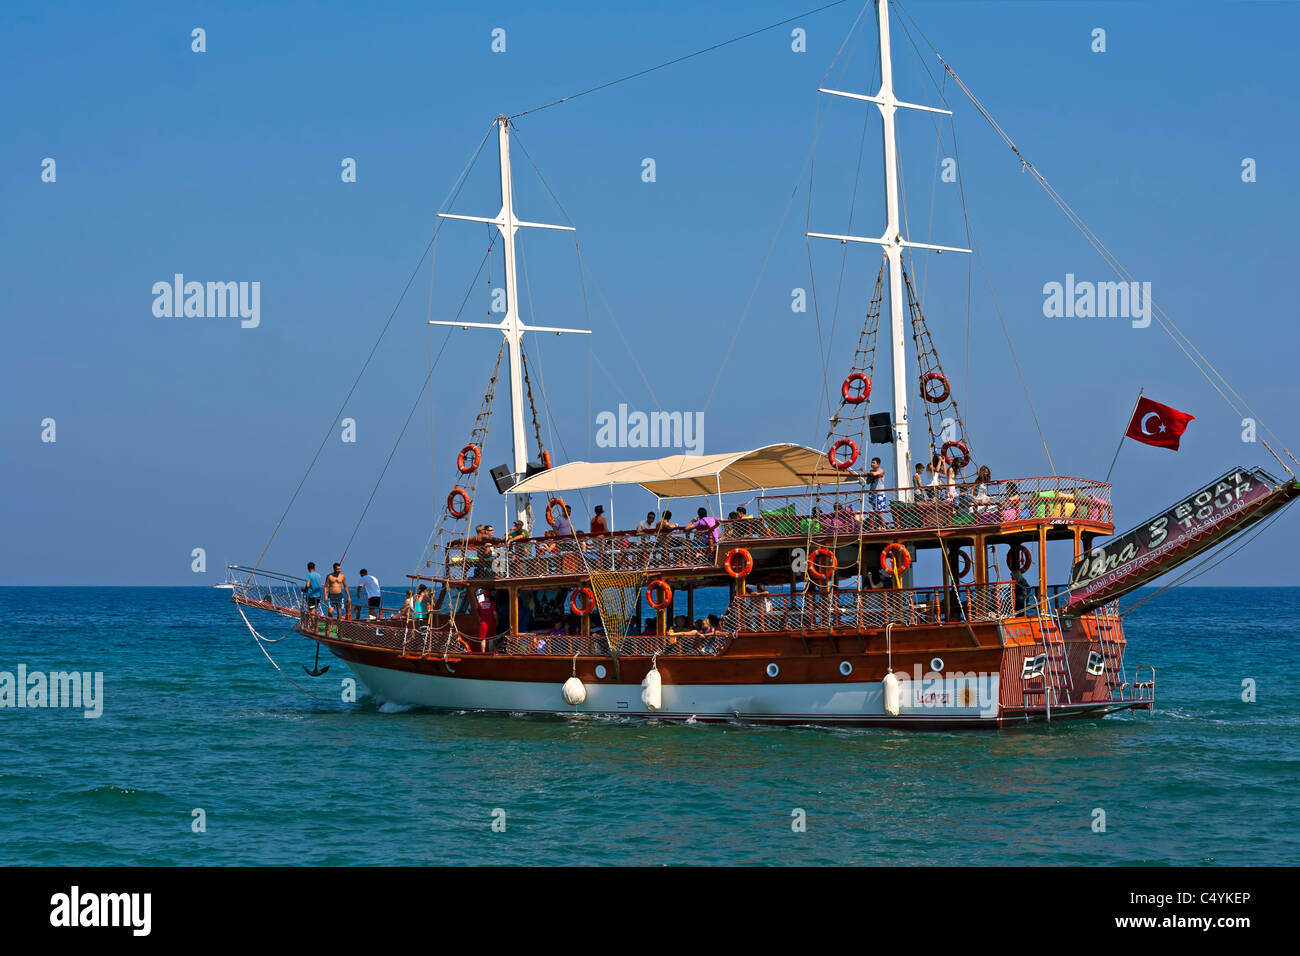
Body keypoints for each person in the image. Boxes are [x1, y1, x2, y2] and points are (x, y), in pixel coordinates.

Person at [866, 457, 887, 529]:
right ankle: (879, 526)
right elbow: (867, 482)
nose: (872, 464)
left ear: (878, 464)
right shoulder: (871, 471)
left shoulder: (881, 470)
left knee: (880, 511)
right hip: (873, 494)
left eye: (873, 463)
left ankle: (884, 526)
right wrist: (868, 476)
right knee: (876, 511)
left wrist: (869, 474)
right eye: (871, 462)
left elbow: (876, 474)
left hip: (880, 494)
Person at [474, 587, 497, 652]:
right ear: (490, 596)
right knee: (491, 640)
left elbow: (478, 613)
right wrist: (497, 622)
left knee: (483, 640)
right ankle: (490, 653)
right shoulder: (492, 604)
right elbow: (495, 614)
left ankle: (483, 653)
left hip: (483, 624)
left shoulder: (480, 604)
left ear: (484, 595)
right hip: (491, 623)